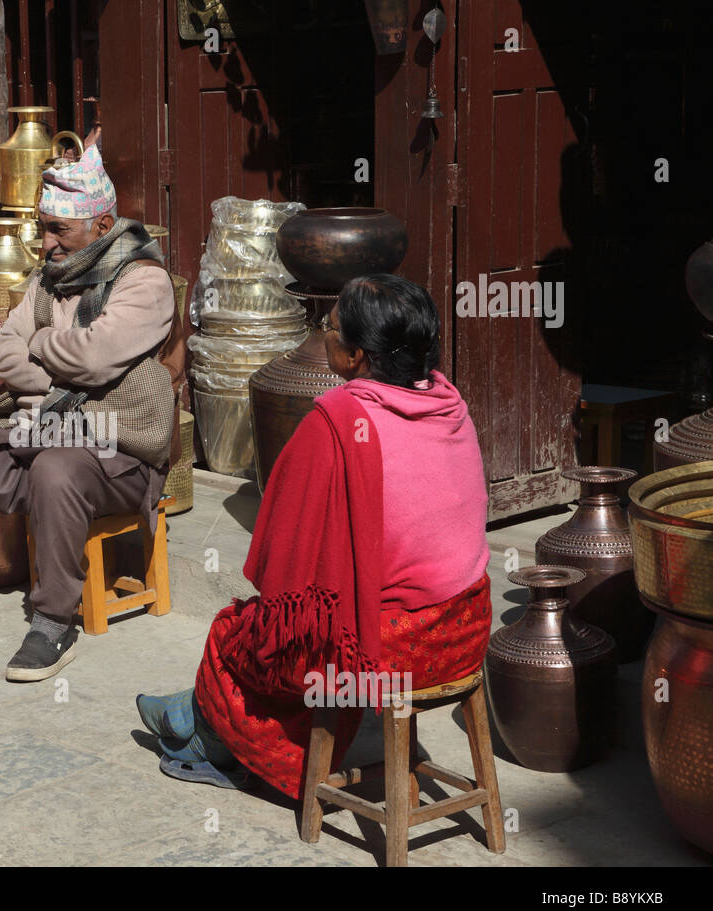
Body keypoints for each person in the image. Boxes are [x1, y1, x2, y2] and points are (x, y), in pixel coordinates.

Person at [136, 274, 492, 791]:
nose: (323, 335)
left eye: (329, 328)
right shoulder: (450, 403)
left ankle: (201, 735)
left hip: (389, 650)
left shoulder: (339, 421)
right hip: (465, 629)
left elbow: (284, 569)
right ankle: (190, 719)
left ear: (355, 357)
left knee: (245, 633)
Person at [0, 144, 187, 682]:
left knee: (59, 465)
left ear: (100, 224)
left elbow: (96, 360)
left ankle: (53, 620)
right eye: (43, 227)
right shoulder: (49, 277)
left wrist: (44, 343)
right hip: (40, 431)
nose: (46, 242)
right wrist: (60, 364)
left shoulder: (144, 281)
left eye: (58, 230)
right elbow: (4, 353)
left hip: (113, 451)